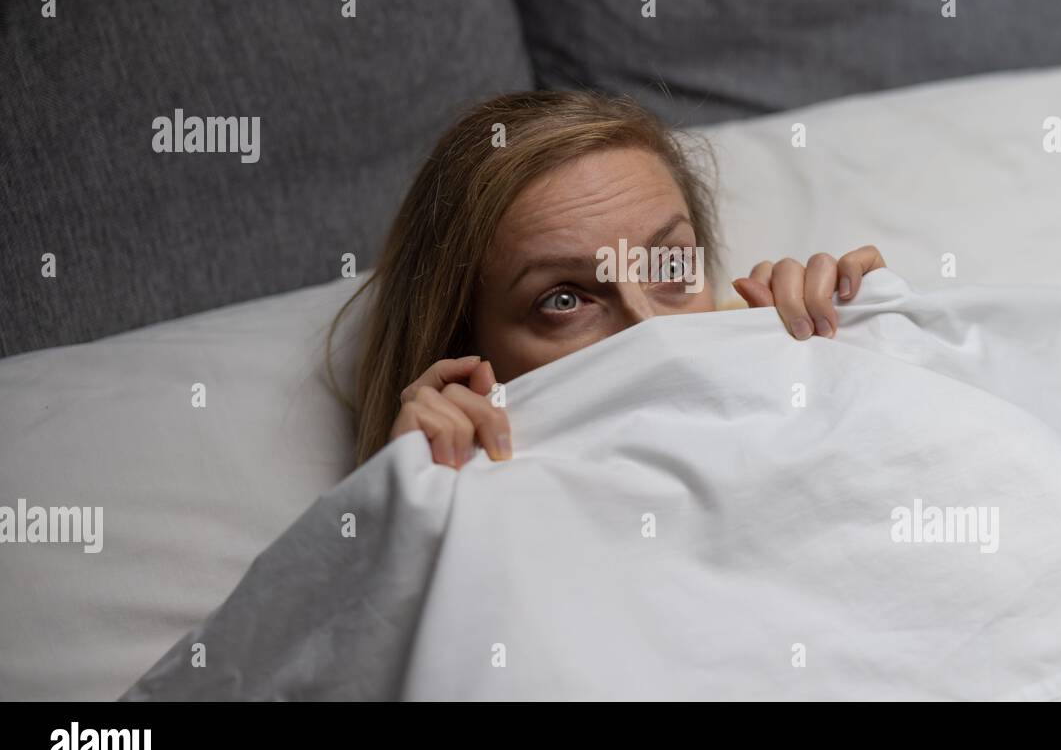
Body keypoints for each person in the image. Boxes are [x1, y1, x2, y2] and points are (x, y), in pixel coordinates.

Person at [330, 91, 884, 468]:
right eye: (565, 300)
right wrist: (406, 505)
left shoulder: (815, 369)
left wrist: (872, 354)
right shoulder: (449, 529)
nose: (651, 333)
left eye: (669, 267)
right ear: (462, 356)